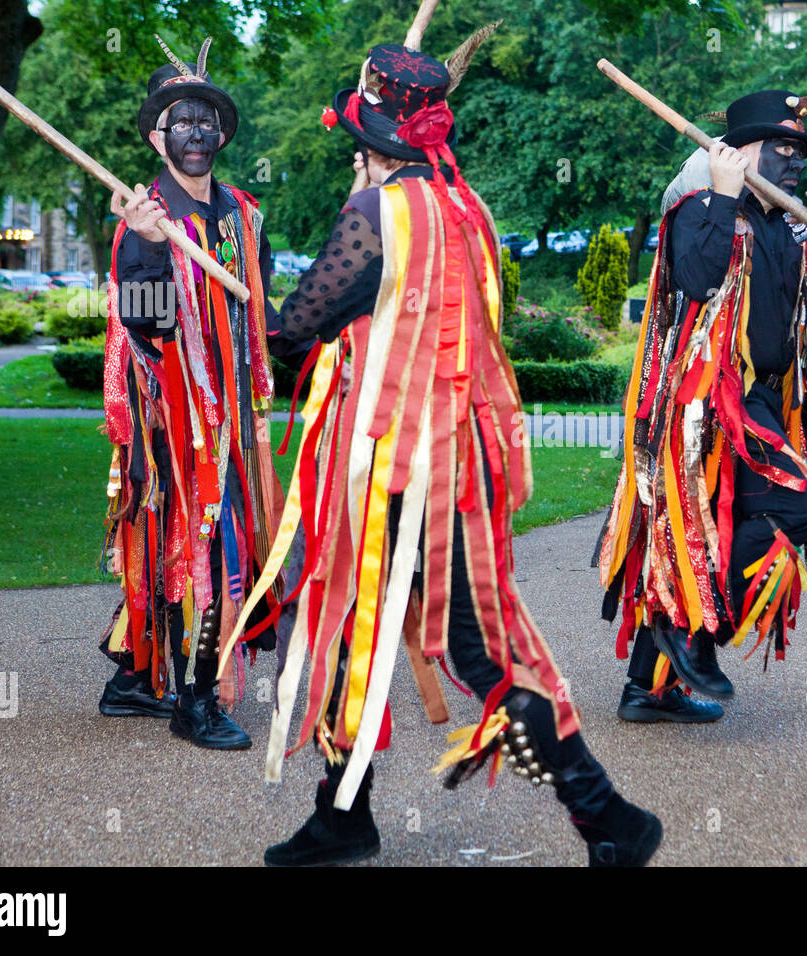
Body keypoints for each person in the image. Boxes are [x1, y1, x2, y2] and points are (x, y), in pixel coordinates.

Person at [217, 6, 662, 867]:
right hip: (460, 457)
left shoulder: (379, 214)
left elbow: (295, 326)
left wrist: (234, 274)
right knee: (358, 624)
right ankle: (343, 817)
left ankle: (611, 817)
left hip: (404, 466)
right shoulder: (462, 205)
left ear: (369, 138)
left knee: (471, 645)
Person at [597, 90, 807, 724]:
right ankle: (693, 636)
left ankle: (646, 688)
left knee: (701, 538)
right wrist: (720, 192)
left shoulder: (778, 222)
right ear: (743, 150)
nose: (795, 162)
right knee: (795, 507)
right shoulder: (699, 209)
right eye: (782, 148)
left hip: (765, 399)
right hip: (714, 404)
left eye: (800, 151)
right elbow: (696, 276)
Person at [96, 36, 283, 751]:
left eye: (208, 119)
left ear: (223, 133)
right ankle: (195, 702)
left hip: (235, 415)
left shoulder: (242, 214)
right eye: (182, 120)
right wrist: (146, 248)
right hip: (174, 425)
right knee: (201, 544)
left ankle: (136, 681)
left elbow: (259, 313)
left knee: (190, 546)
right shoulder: (143, 222)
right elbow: (145, 327)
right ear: (157, 136)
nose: (197, 132)